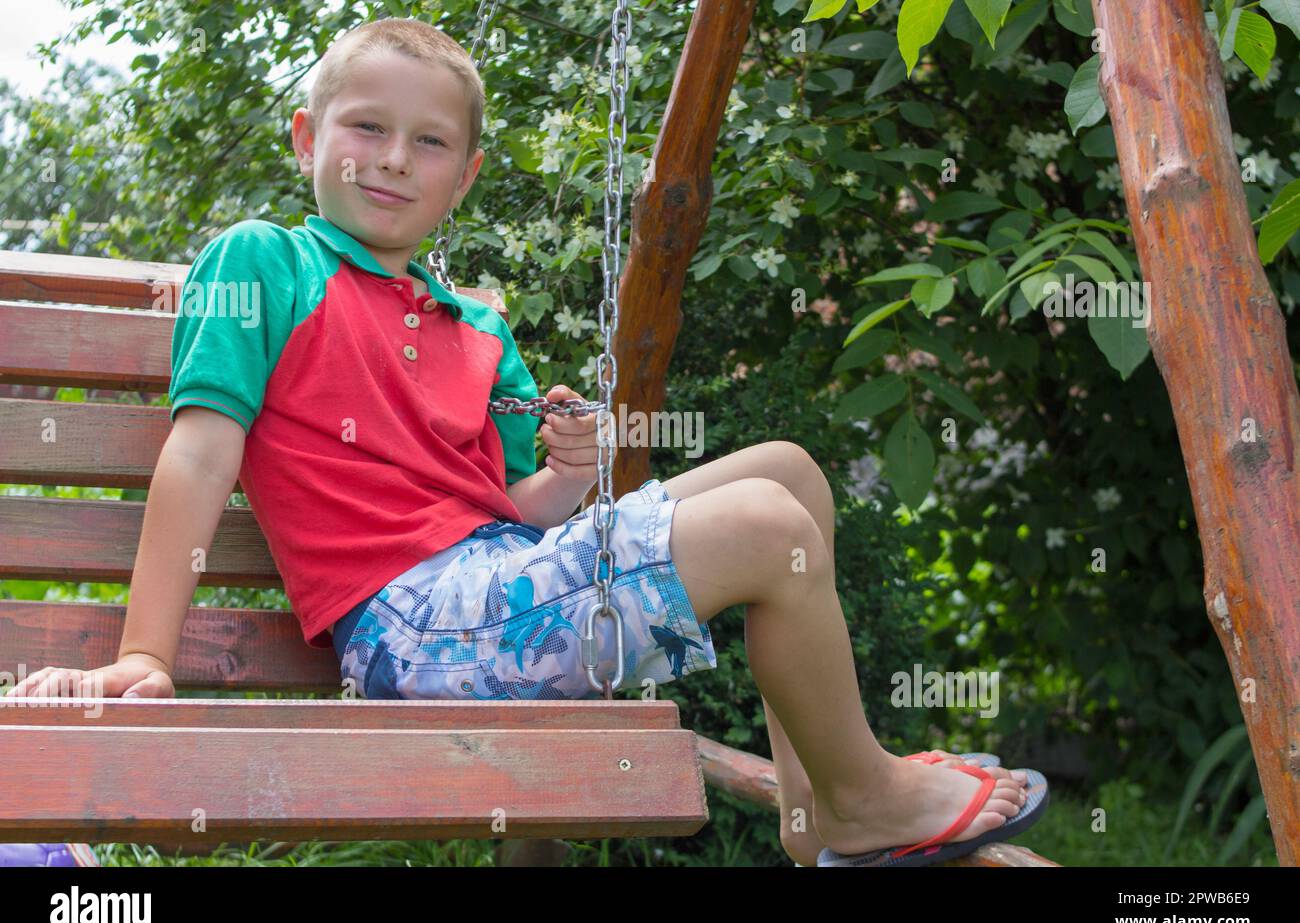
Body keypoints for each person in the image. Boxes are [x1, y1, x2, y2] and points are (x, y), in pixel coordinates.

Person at [9, 18, 1046, 867]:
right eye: (366, 127)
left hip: (496, 590)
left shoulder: (478, 326)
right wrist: (146, 652)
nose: (391, 160)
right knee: (765, 525)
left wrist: (571, 472)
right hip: (410, 635)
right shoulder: (265, 264)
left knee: (789, 472)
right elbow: (200, 452)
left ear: (463, 176)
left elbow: (523, 509)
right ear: (304, 137)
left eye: (428, 143)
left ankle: (816, 813)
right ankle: (867, 796)